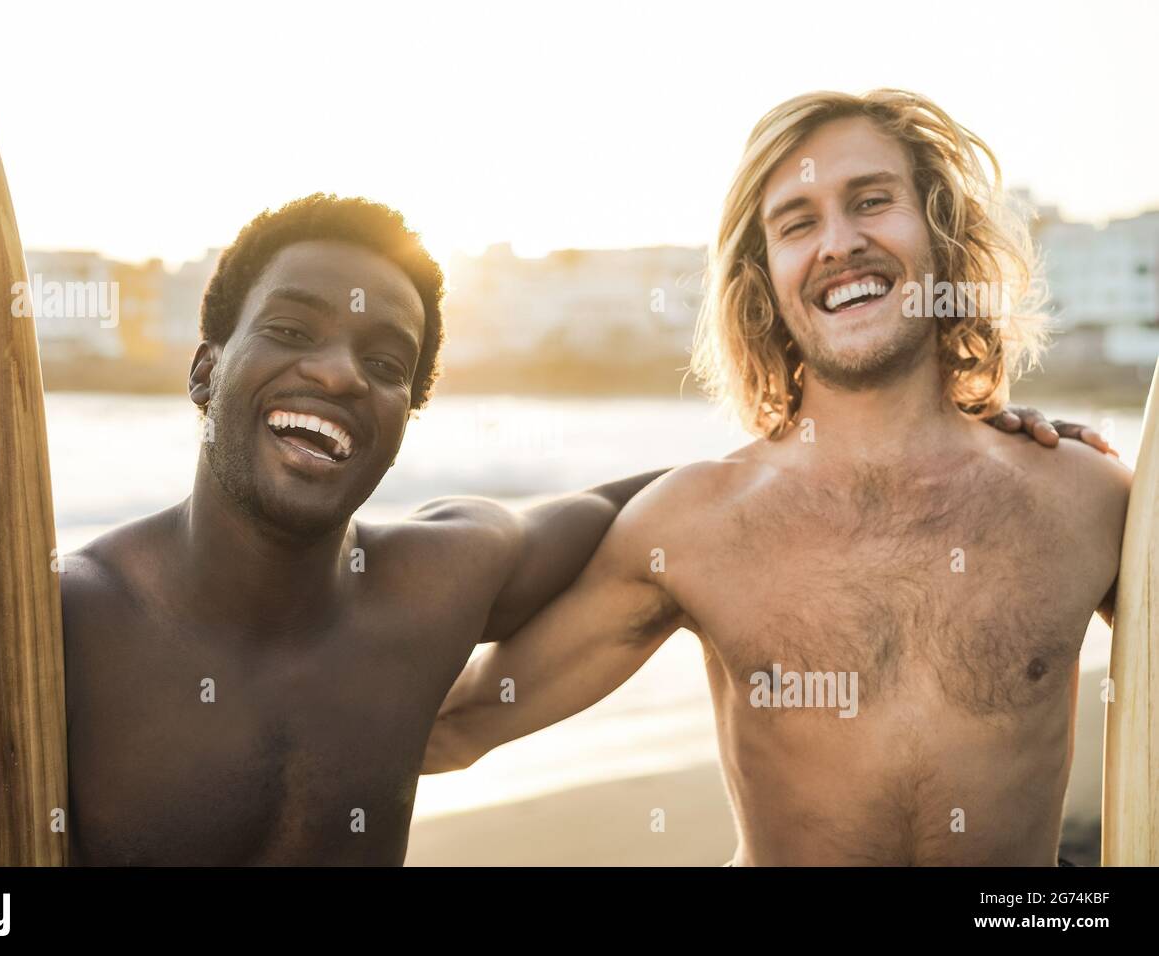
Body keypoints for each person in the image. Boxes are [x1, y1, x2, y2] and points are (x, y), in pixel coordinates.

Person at [423, 90, 1131, 866]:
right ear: (764, 281)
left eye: (871, 201)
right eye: (797, 222)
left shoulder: (1083, 498)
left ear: (941, 231)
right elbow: (457, 727)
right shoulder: (691, 526)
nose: (839, 242)